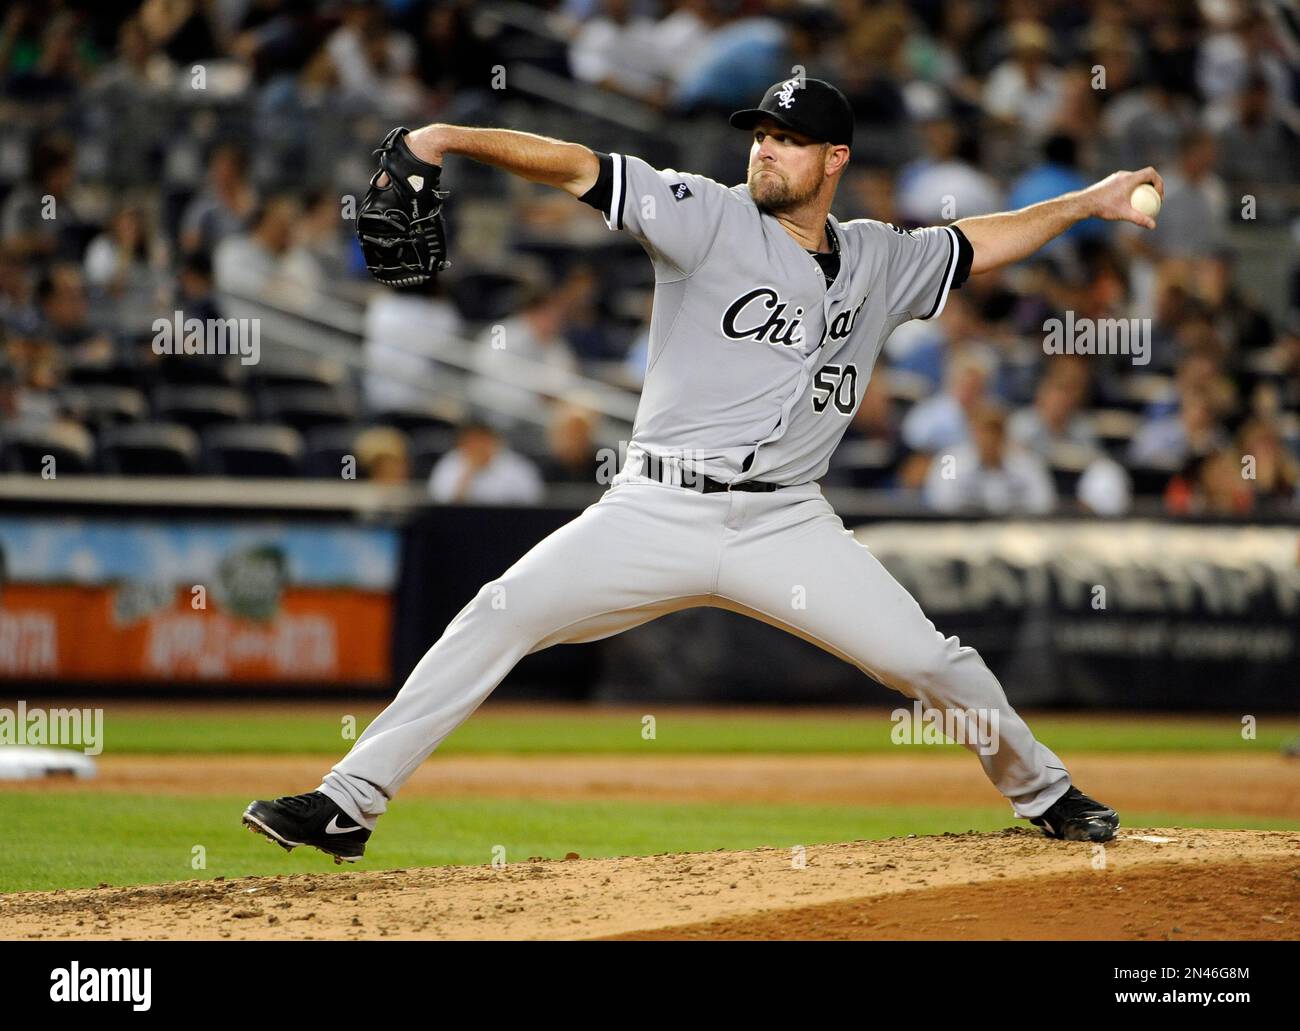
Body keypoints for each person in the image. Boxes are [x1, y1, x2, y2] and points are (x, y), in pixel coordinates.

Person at [244, 76, 1165, 861]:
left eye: (790, 141)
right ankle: (347, 802)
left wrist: (1089, 201)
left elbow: (980, 242)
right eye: (761, 134)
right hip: (654, 507)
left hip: (787, 523)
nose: (766, 152)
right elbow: (575, 164)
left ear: (834, 160)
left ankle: (1045, 795)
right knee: (500, 610)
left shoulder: (883, 256)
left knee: (931, 660)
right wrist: (445, 137)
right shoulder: (703, 214)